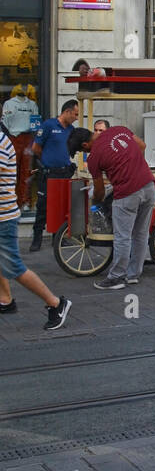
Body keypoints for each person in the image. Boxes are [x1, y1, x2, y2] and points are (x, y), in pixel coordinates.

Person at [0, 120, 71, 330]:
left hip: (3, 218)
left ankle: (56, 303)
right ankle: (5, 300)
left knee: (14, 267)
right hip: (4, 214)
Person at [68, 125, 155, 289]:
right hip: (149, 186)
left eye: (82, 152)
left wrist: (97, 199)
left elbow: (99, 189)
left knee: (123, 237)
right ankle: (133, 275)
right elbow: (142, 145)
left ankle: (116, 277)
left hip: (127, 193)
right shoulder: (118, 130)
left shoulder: (94, 158)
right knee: (141, 234)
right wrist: (131, 163)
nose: (85, 154)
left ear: (85, 145)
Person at [30, 98, 78, 252]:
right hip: (49, 173)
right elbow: (36, 147)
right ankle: (36, 239)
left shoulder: (71, 130)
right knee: (43, 206)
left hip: (64, 172)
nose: (76, 118)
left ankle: (57, 239)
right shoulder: (49, 125)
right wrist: (47, 159)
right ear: (67, 111)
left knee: (61, 207)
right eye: (75, 114)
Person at [1, 83, 39, 208]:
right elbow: (4, 122)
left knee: (26, 171)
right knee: (12, 170)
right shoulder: (9, 103)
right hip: (13, 138)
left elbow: (36, 123)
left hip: (28, 138)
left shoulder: (32, 105)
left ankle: (25, 200)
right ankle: (11, 199)